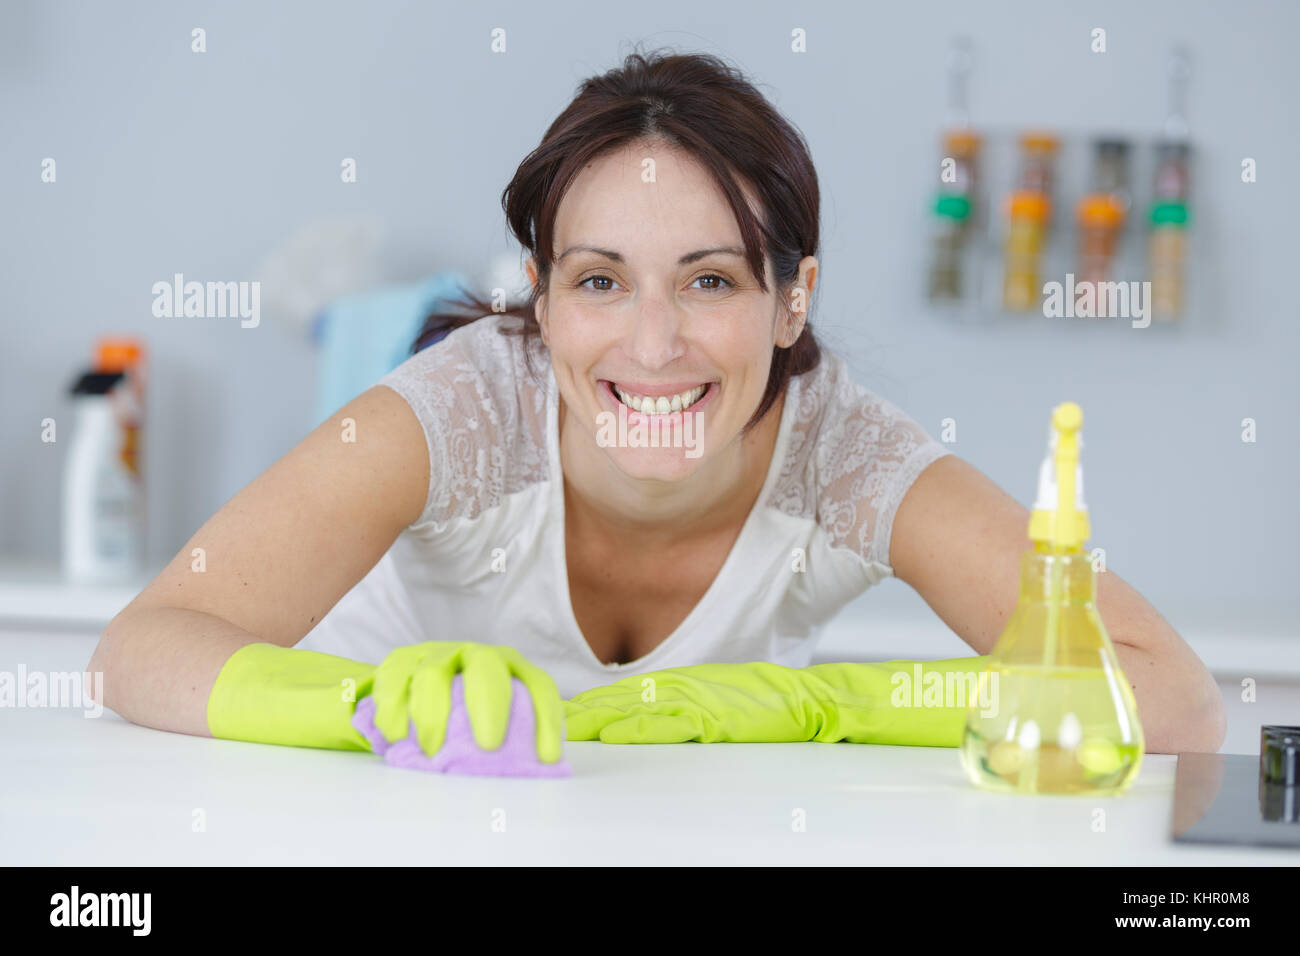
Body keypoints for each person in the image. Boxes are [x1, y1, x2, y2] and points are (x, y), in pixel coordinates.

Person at [87, 49, 1224, 764]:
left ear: (793, 300)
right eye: (598, 280)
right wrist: (371, 705)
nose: (652, 342)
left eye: (711, 279)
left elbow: (1167, 693)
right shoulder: (459, 411)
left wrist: (814, 707)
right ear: (539, 296)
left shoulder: (844, 454)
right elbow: (143, 647)